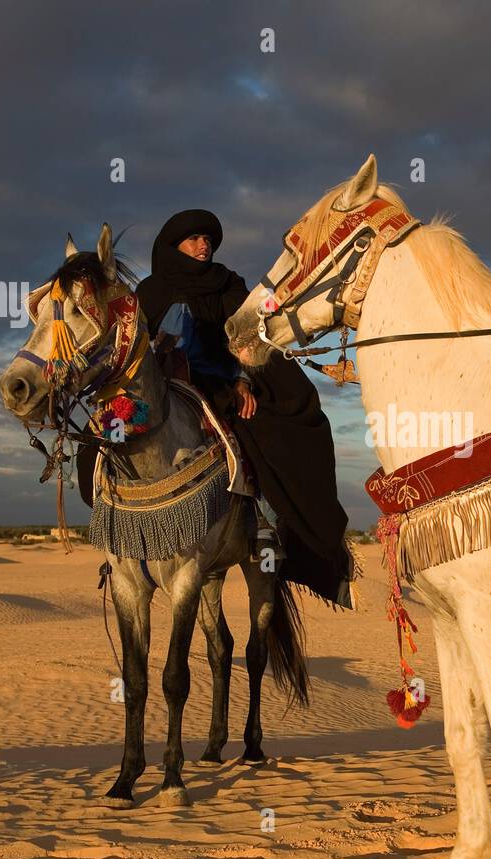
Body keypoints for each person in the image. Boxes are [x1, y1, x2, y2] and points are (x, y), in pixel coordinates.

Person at [136, 209, 355, 607]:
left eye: (208, 240)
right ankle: (122, 545)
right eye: (195, 240)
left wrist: (243, 379)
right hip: (166, 384)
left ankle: (268, 523)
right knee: (107, 434)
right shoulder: (149, 292)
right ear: (174, 247)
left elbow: (253, 335)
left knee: (278, 415)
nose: (205, 246)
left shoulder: (228, 284)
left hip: (223, 379)